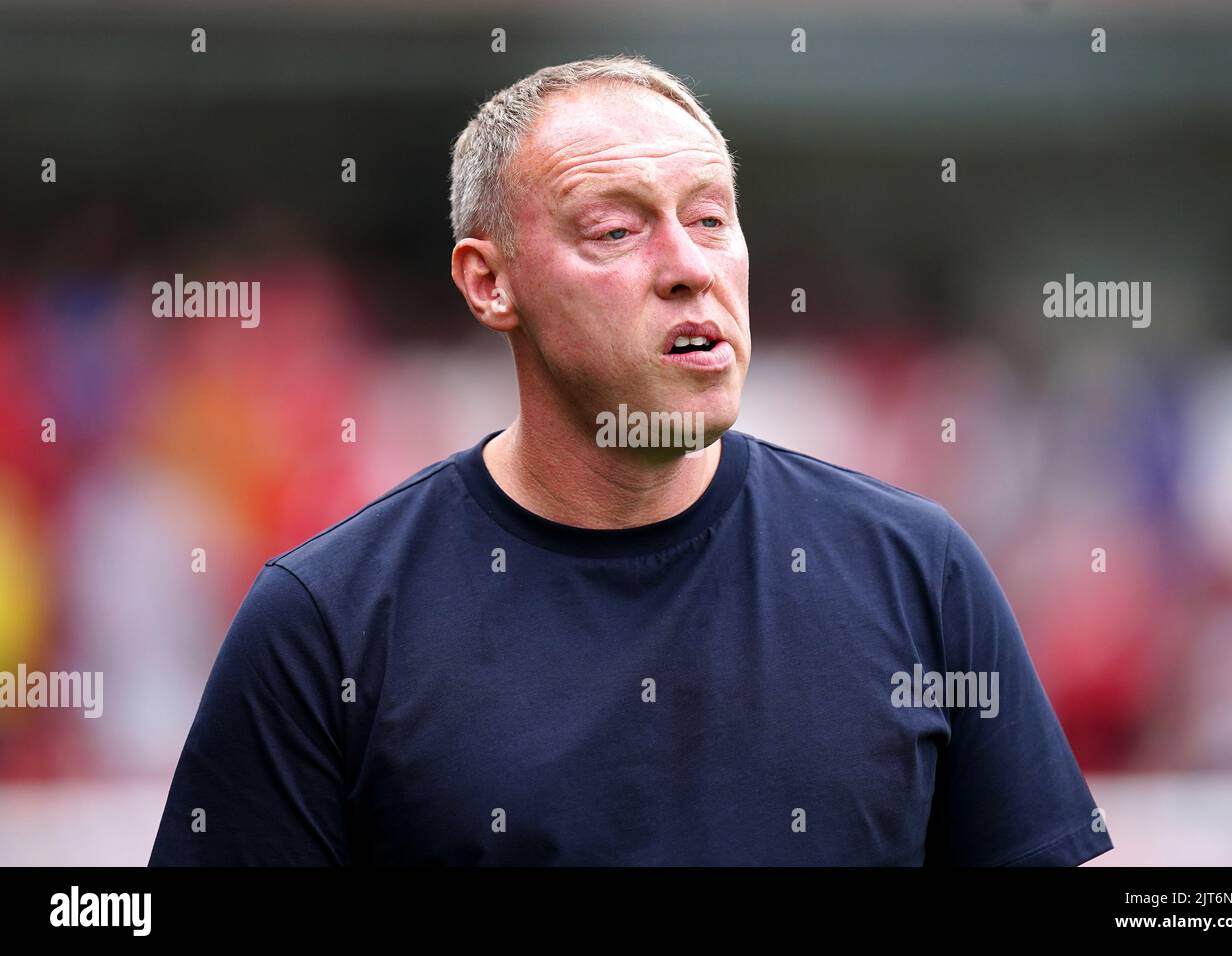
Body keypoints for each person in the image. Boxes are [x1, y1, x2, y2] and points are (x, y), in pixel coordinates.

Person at [149, 54, 1113, 866]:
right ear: (489, 283)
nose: (686, 264)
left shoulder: (917, 572)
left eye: (710, 218)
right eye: (615, 230)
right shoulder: (329, 623)